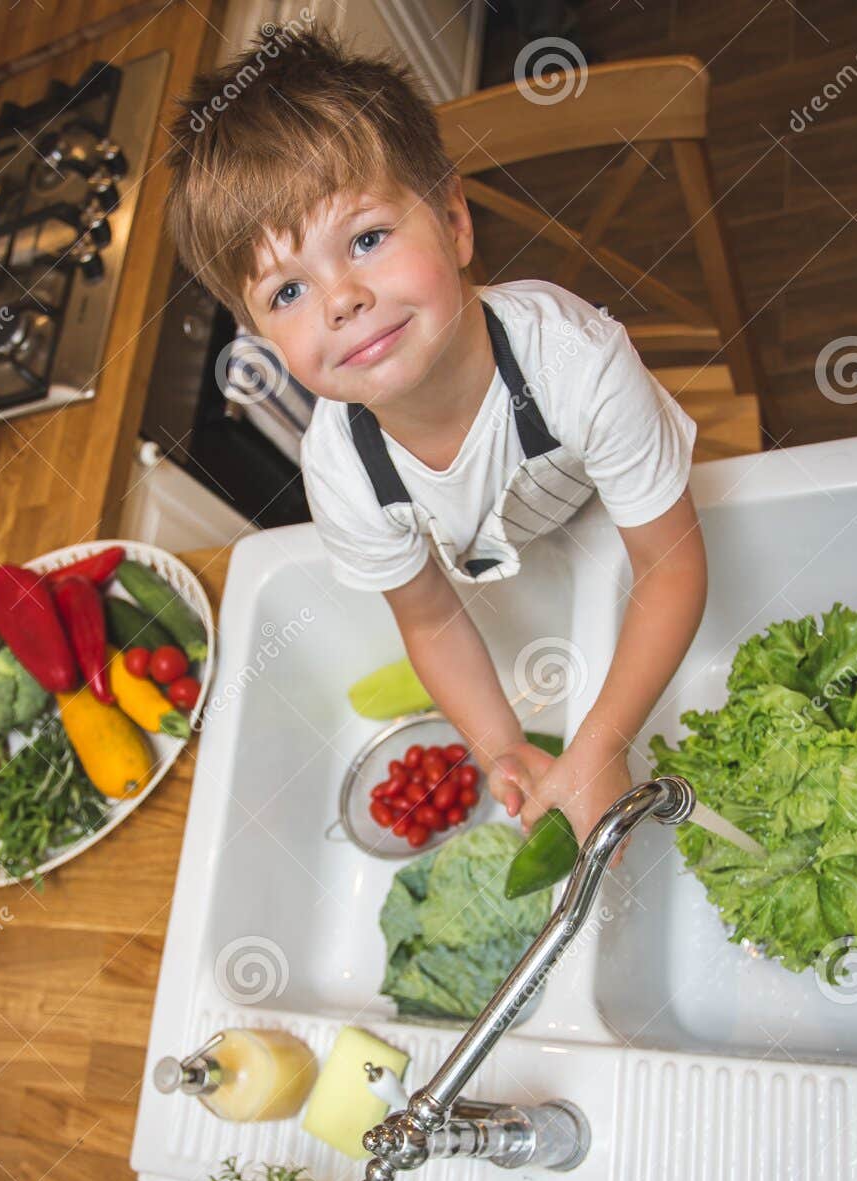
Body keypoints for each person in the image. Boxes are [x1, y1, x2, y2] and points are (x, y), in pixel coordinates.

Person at [166, 21, 708, 843]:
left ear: (455, 222)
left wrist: (601, 741)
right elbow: (431, 619)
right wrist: (502, 746)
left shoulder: (575, 363)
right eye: (287, 293)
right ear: (262, 339)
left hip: (651, 509)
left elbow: (669, 569)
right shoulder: (343, 473)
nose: (341, 300)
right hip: (545, 555)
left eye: (368, 240)